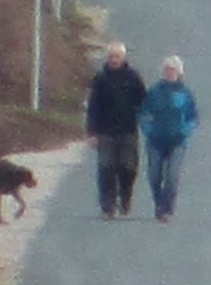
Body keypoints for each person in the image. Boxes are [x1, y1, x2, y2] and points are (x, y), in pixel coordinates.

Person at [85, 41, 146, 218]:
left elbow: (143, 102)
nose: (113, 59)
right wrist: (91, 132)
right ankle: (107, 207)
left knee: (128, 168)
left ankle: (125, 196)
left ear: (123, 57)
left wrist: (148, 122)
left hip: (128, 131)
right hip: (105, 132)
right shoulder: (100, 79)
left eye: (117, 56)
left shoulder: (133, 77)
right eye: (110, 56)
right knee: (106, 168)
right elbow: (93, 107)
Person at [138, 54, 199, 223]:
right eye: (166, 69)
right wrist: (148, 130)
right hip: (155, 141)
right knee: (154, 176)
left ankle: (168, 209)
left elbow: (193, 118)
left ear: (179, 72)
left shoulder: (186, 94)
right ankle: (158, 204)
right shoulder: (154, 91)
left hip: (177, 142)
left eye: (173, 70)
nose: (169, 73)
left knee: (172, 177)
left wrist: (185, 130)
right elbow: (143, 113)